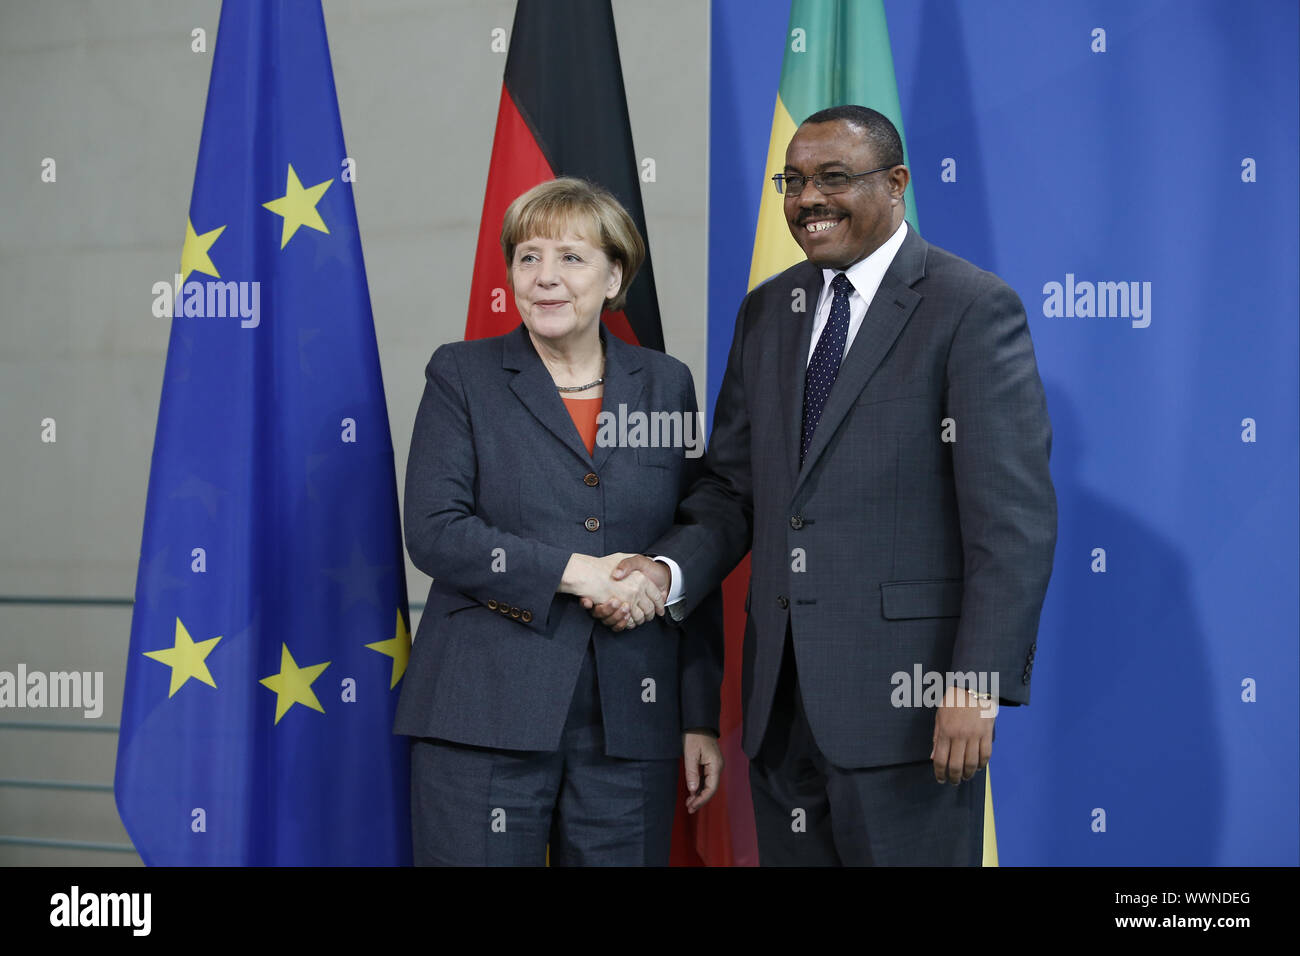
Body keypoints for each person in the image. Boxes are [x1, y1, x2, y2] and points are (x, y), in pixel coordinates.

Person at [593, 105, 1057, 865]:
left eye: (833, 178)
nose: (808, 199)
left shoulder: (970, 307)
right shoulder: (770, 310)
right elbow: (733, 489)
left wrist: (977, 682)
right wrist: (666, 569)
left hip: (911, 711)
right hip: (782, 708)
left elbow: (1013, 519)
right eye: (793, 180)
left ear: (897, 182)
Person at [395, 177, 724, 866]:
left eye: (571, 258)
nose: (545, 278)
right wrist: (581, 574)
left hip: (632, 720)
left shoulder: (667, 385)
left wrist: (697, 715)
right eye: (528, 257)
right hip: (482, 714)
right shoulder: (462, 375)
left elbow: (697, 539)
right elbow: (434, 527)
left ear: (615, 275)